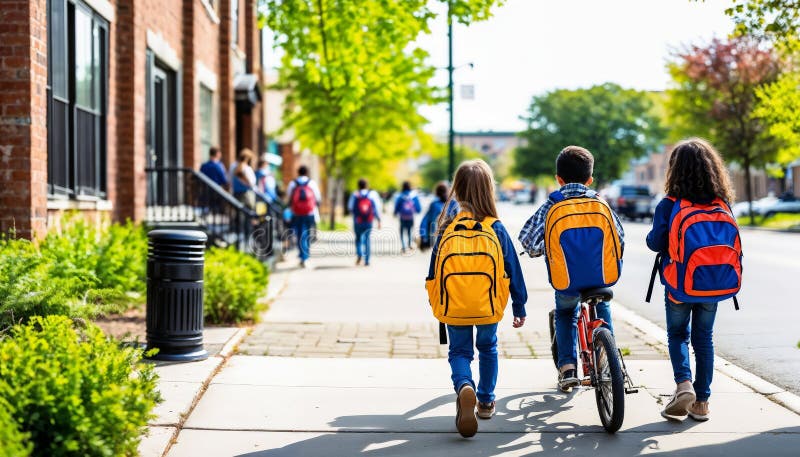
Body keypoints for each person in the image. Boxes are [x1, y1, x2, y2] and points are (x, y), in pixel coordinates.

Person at [425, 160, 527, 438]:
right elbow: (513, 270)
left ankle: (463, 386)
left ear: (457, 190)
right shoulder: (496, 227)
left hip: (455, 305)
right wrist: (519, 304)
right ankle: (484, 400)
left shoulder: (447, 227)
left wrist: (437, 301)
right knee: (488, 347)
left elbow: (434, 272)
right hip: (488, 305)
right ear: (488, 190)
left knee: (459, 352)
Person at [518, 146, 625, 392]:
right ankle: (607, 360)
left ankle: (567, 368)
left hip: (567, 279)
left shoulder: (553, 204)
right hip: (600, 276)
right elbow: (619, 238)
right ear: (590, 179)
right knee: (603, 305)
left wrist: (545, 248)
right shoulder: (600, 202)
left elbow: (527, 239)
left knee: (566, 313)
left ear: (558, 179)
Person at [646, 138, 738, 422]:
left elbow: (655, 242)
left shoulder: (670, 204)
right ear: (712, 168)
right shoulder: (722, 202)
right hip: (715, 284)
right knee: (704, 339)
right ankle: (702, 403)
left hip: (679, 284)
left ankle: (683, 384)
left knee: (677, 335)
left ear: (674, 170)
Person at [286, 165, 321, 268]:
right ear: (307, 172)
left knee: (300, 233)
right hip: (310, 212)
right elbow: (318, 197)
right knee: (308, 233)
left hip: (296, 212)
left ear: (298, 172)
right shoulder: (311, 183)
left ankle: (302, 256)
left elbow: (289, 197)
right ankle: (306, 255)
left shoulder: (293, 183)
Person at [348, 178, 382, 266]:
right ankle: (367, 260)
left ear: (358, 185)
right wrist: (379, 220)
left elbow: (350, 208)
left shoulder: (355, 195)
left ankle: (359, 254)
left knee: (358, 239)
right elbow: (376, 209)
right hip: (368, 221)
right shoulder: (372, 195)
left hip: (358, 221)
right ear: (367, 185)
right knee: (367, 239)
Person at [418, 181, 450, 251]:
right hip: (448, 238)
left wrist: (423, 236)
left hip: (435, 238)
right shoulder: (452, 205)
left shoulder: (434, 205)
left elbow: (425, 221)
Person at [394, 181, 421, 253]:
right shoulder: (413, 196)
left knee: (402, 231)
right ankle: (409, 245)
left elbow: (397, 206)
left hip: (402, 217)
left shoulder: (400, 196)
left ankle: (403, 247)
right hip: (410, 217)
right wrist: (417, 211)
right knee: (409, 231)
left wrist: (395, 212)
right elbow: (418, 208)